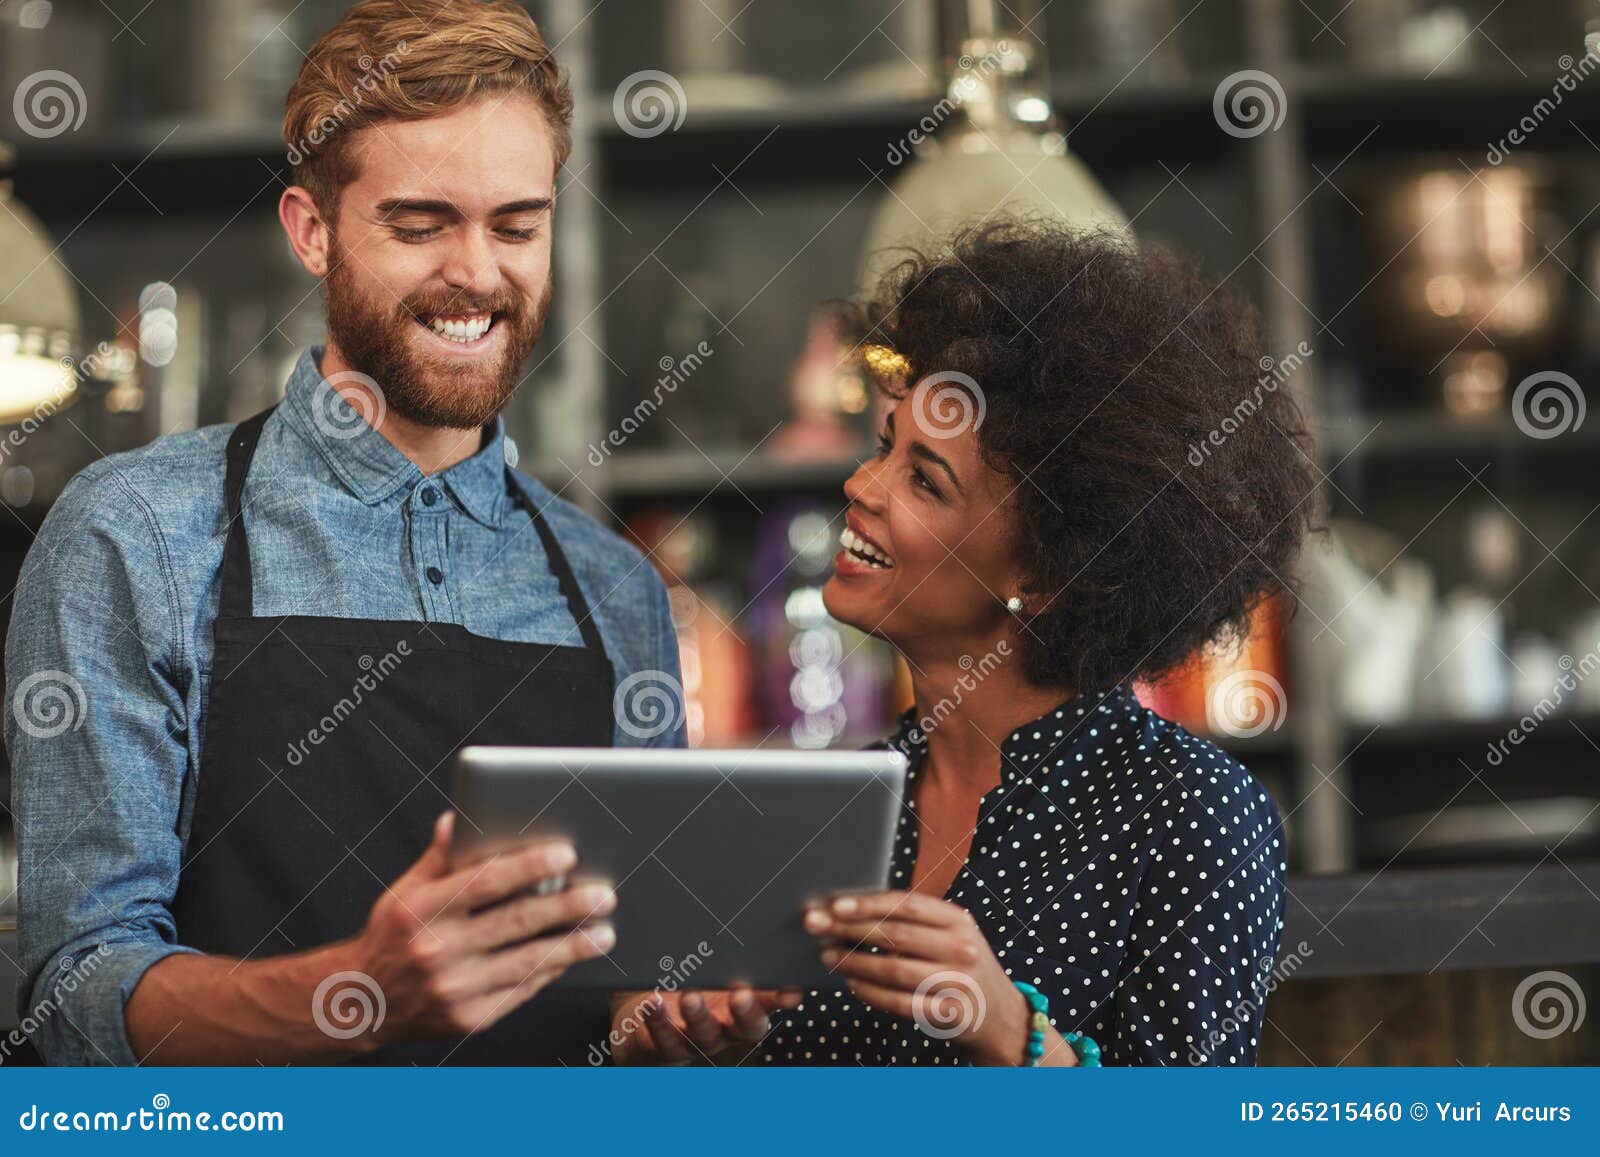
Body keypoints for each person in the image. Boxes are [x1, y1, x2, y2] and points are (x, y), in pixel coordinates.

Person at [6, 0, 685, 1066]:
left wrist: (670, 1020)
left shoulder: (616, 588)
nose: (477, 272)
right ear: (311, 231)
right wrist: (359, 991)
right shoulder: (136, 534)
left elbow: (628, 972)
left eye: (516, 224)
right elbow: (75, 994)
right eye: (419, 225)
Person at [615, 220, 1317, 1066]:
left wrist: (1008, 1030)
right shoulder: (833, 809)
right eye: (886, 448)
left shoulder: (1194, 813)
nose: (859, 486)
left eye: (924, 478)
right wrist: (696, 1053)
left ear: (1054, 572)